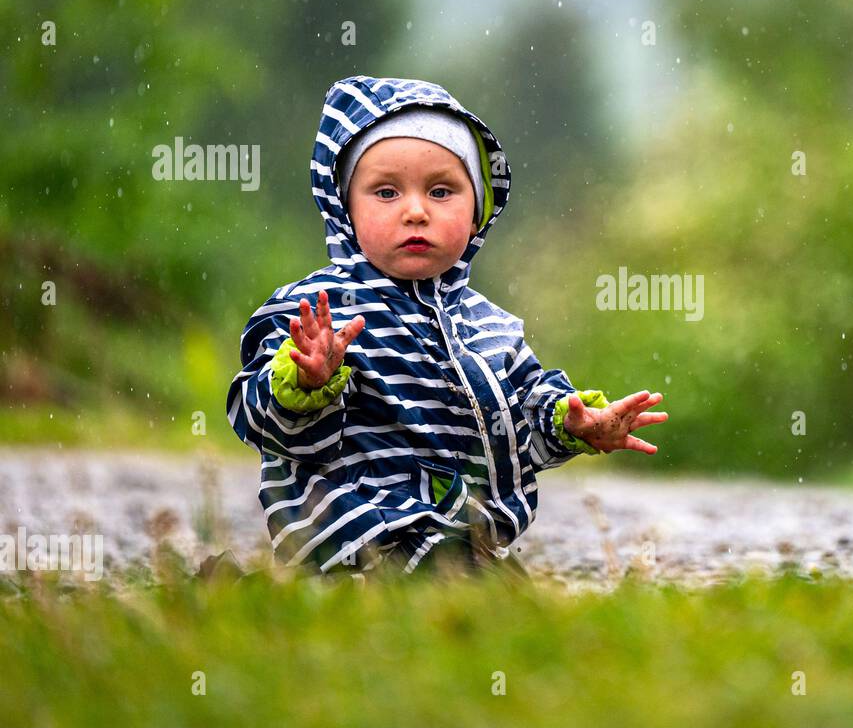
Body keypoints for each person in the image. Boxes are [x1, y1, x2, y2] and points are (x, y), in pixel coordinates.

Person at [225, 75, 668, 577]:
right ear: (345, 208)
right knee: (447, 585)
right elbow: (257, 420)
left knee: (500, 601)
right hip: (351, 535)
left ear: (478, 211)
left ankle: (245, 584)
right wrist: (304, 379)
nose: (416, 212)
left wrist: (572, 424)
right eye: (386, 192)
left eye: (441, 191)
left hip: (457, 538)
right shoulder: (314, 313)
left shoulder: (492, 329)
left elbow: (523, 422)